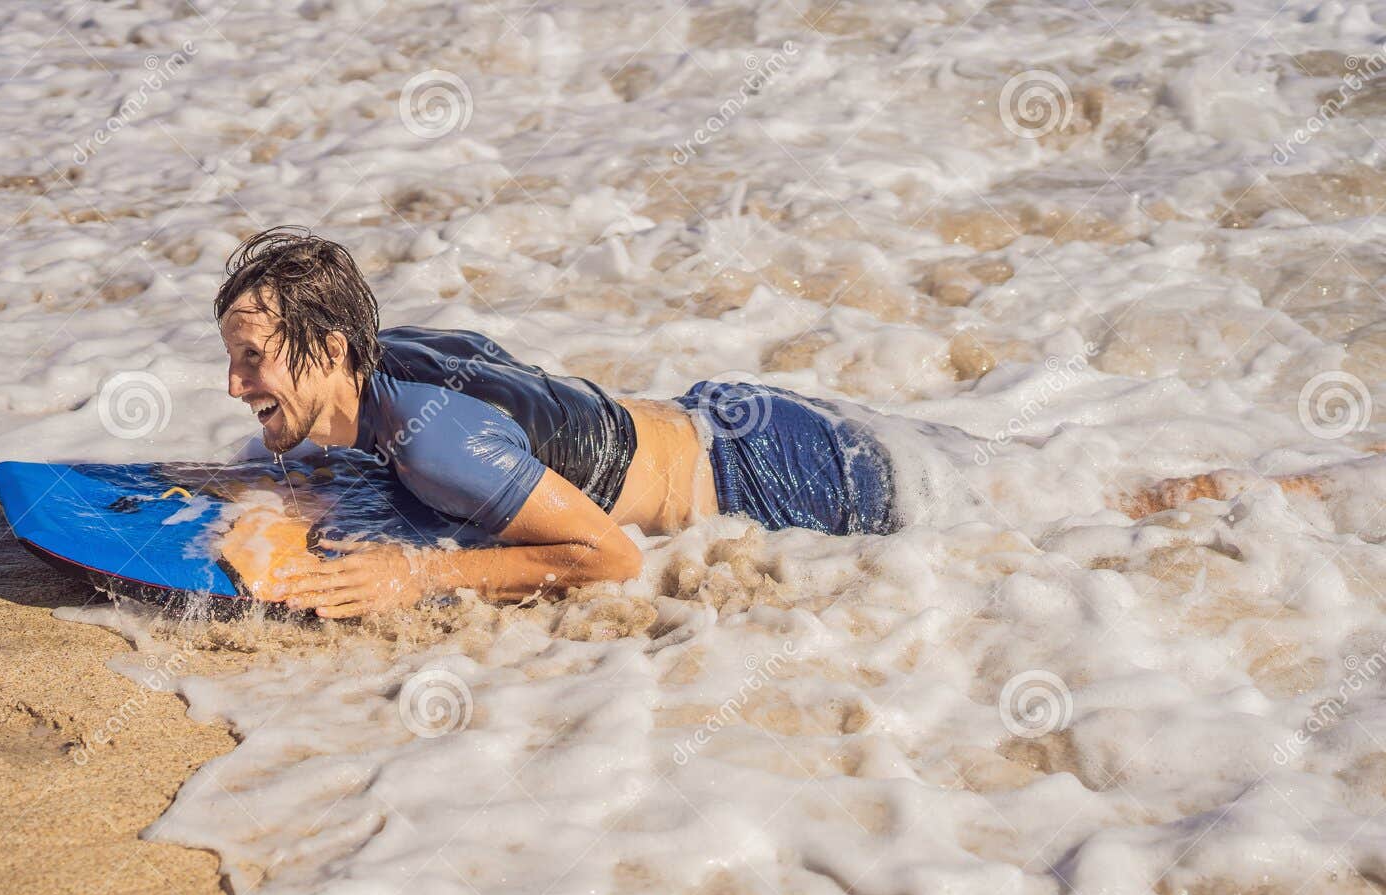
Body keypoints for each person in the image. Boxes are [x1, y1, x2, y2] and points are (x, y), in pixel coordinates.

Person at [214, 226, 1376, 617]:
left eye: (252, 361)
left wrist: (417, 581)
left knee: (1092, 512)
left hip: (792, 478)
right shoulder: (393, 356)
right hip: (744, 418)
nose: (234, 387)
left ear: (327, 347)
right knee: (1053, 478)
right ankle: (1313, 470)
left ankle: (1321, 491)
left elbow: (607, 555)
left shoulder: (429, 436)